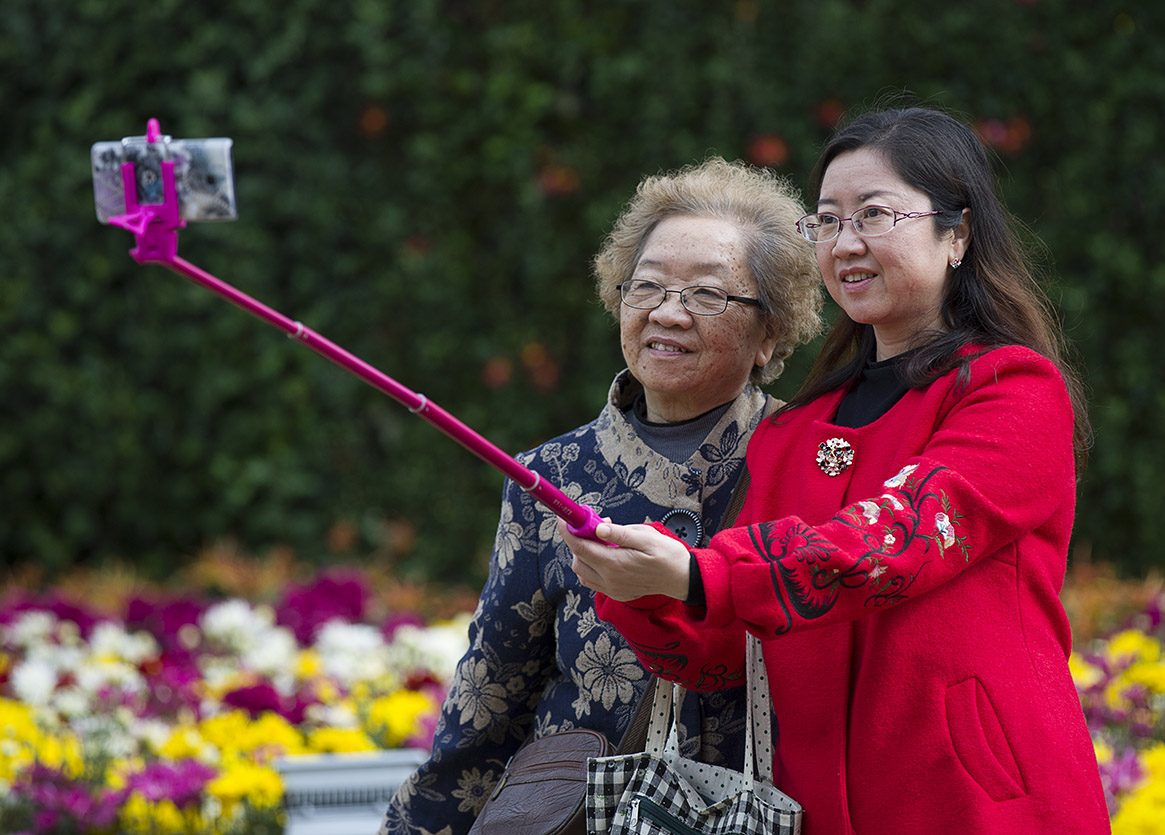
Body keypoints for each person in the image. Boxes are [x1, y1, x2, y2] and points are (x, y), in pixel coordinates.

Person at [562, 107, 1111, 835]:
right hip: (819, 810)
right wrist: (643, 592)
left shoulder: (1013, 389)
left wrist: (697, 573)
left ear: (958, 234)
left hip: (981, 805)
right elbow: (737, 649)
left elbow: (899, 539)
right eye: (826, 220)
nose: (845, 243)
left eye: (874, 215)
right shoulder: (793, 431)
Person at [378, 156, 823, 835]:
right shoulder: (549, 478)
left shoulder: (813, 461)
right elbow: (487, 703)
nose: (668, 314)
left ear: (769, 333)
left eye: (707, 295)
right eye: (645, 288)